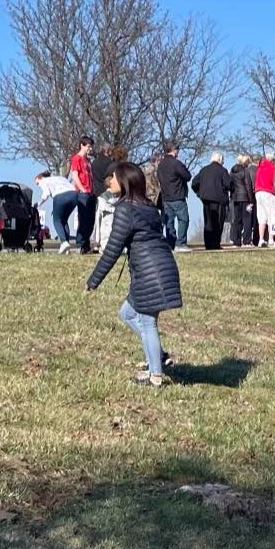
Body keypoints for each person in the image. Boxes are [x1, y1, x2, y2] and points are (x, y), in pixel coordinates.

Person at [85, 161, 183, 388]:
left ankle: (155, 377)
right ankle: (158, 355)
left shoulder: (125, 209)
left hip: (150, 273)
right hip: (162, 268)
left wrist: (93, 281)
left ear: (125, 181)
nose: (110, 181)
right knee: (127, 313)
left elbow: (113, 249)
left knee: (148, 323)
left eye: (113, 177)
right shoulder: (149, 207)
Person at [155, 142, 193, 252]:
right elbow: (187, 176)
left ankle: (171, 243)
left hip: (166, 197)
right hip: (177, 195)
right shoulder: (176, 164)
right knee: (183, 220)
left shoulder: (161, 165)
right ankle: (181, 243)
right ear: (174, 150)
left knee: (169, 222)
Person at [193, 152, 230, 250]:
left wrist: (199, 193)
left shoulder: (204, 170)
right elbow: (228, 184)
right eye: (223, 161)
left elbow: (194, 183)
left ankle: (208, 244)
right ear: (220, 160)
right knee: (218, 222)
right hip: (219, 199)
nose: (223, 163)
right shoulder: (222, 171)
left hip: (206, 199)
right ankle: (216, 243)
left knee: (208, 222)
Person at [65, 136, 96, 254]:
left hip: (91, 192)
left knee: (90, 220)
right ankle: (80, 243)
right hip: (83, 193)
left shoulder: (88, 160)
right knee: (83, 219)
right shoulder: (76, 158)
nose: (90, 149)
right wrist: (82, 189)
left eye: (91, 146)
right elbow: (75, 175)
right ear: (82, 145)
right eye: (88, 146)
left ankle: (86, 244)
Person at [253, 150, 275, 247]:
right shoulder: (272, 168)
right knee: (271, 216)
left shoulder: (260, 167)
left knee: (261, 217)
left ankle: (261, 239)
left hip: (258, 192)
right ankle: (271, 239)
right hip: (268, 192)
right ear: (273, 159)